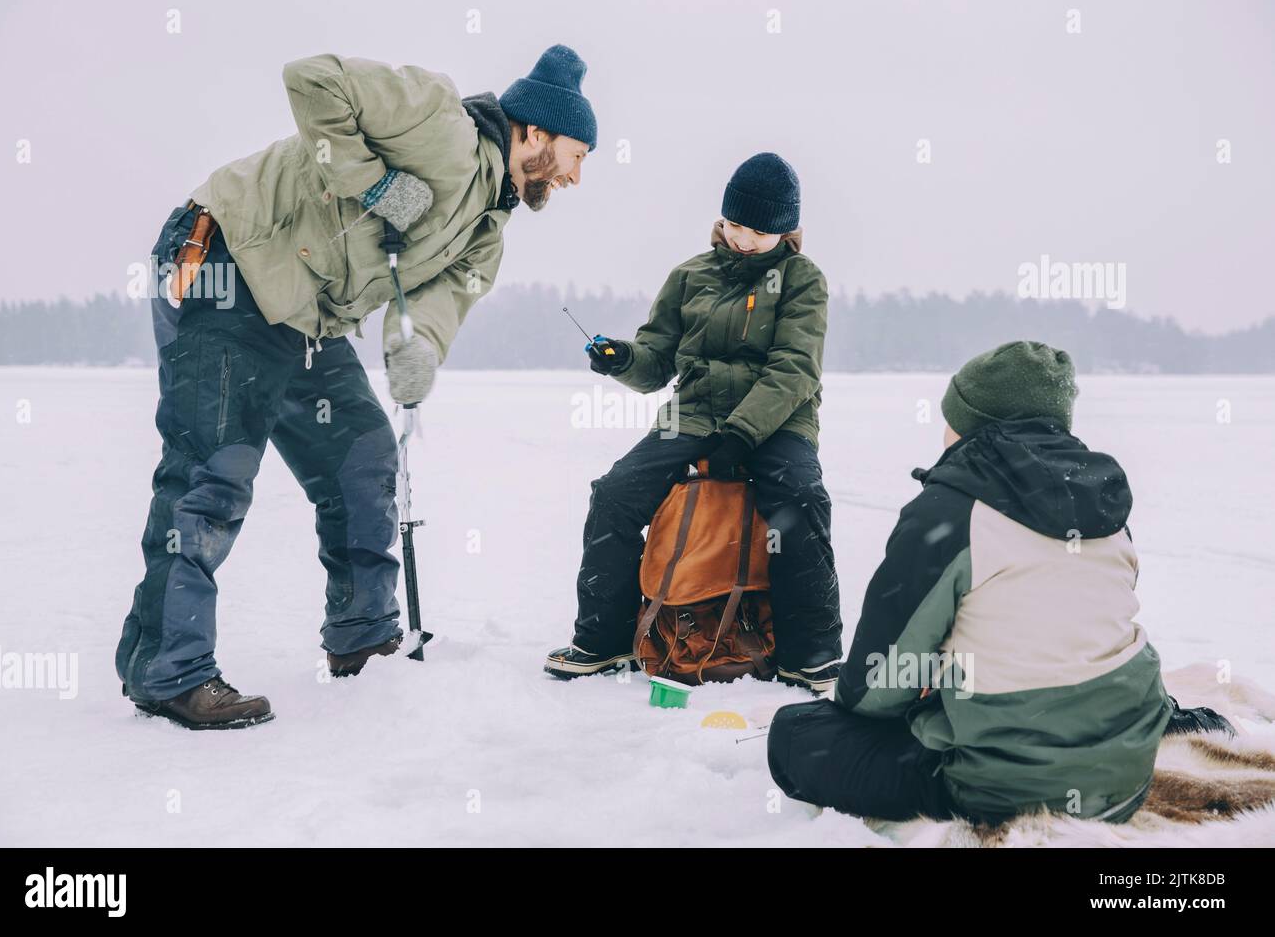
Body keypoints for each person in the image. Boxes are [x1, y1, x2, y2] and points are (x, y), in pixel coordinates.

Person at [118, 46, 597, 729]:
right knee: (212, 471)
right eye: (580, 154)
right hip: (231, 259)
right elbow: (311, 79)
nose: (579, 175)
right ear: (538, 134)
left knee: (363, 454)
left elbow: (438, 307)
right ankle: (171, 670)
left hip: (304, 314)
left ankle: (363, 637)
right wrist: (373, 183)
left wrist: (416, 350)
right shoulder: (438, 119)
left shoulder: (487, 230)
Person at [767, 341, 1233, 824]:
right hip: (1129, 763)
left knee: (795, 734)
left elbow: (876, 688)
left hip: (1004, 786)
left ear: (971, 424)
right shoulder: (1105, 501)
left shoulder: (949, 511)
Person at [543, 153, 843, 693]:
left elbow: (794, 369)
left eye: (760, 231)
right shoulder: (689, 276)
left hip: (779, 420)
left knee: (800, 500)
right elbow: (657, 359)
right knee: (614, 494)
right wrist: (622, 359)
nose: (745, 239)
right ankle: (604, 641)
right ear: (722, 218)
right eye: (736, 225)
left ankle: (812, 655)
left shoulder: (803, 280)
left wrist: (743, 433)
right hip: (695, 412)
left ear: (785, 229)